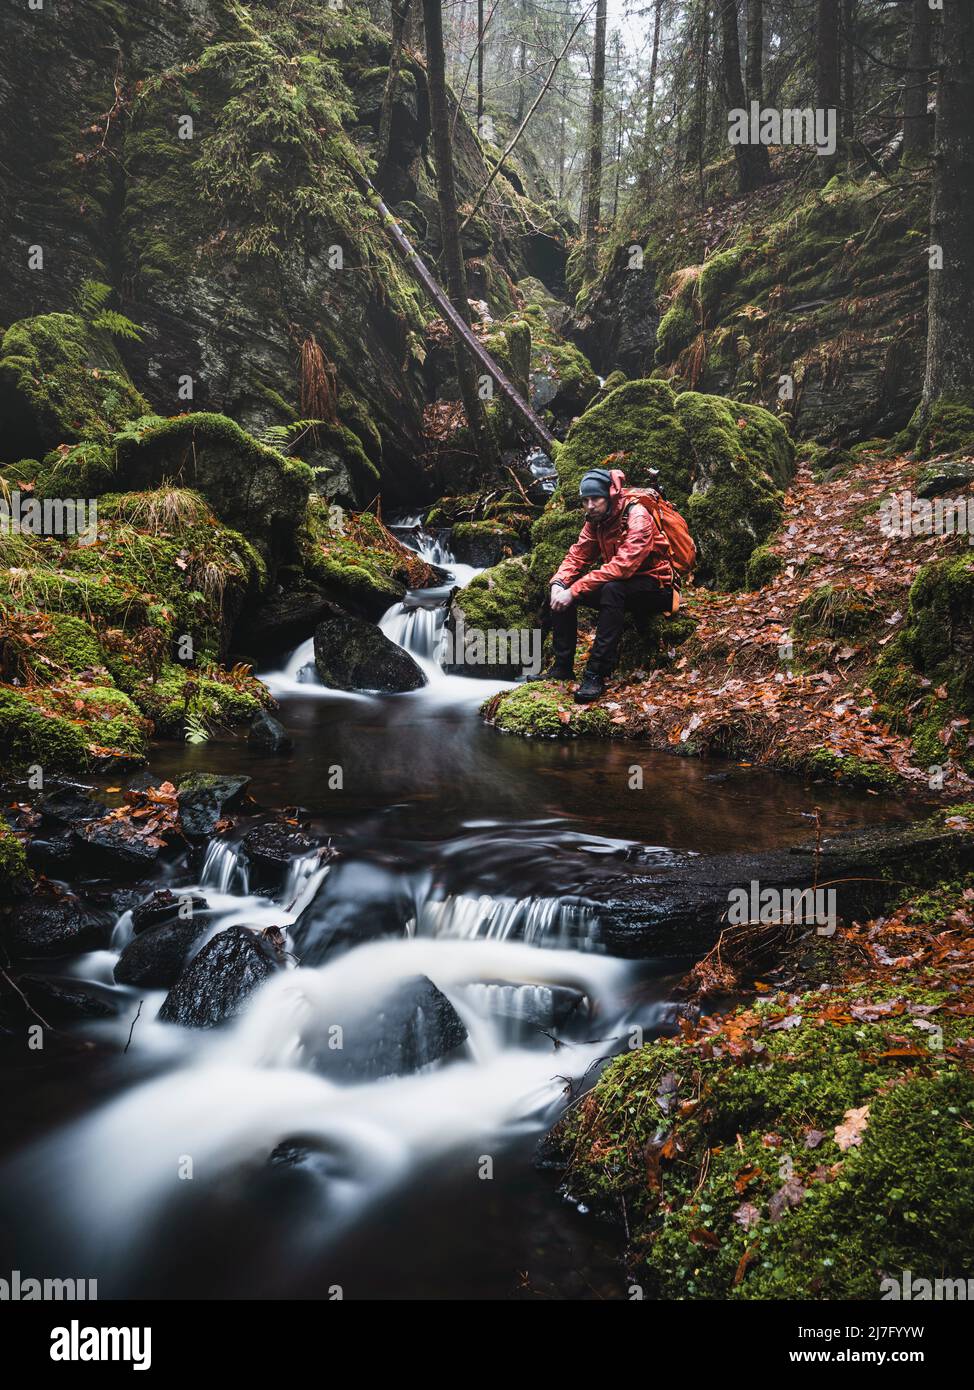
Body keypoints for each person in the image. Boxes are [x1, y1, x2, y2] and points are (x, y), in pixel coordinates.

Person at [542, 465, 680, 703]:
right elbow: (577, 556)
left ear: (609, 496)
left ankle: (596, 674)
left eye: (595, 499)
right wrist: (559, 583)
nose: (590, 505)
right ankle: (562, 666)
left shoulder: (637, 516)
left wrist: (574, 590)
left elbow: (623, 566)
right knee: (561, 590)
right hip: (622, 584)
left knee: (611, 589)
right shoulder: (596, 520)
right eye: (585, 500)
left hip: (658, 587)